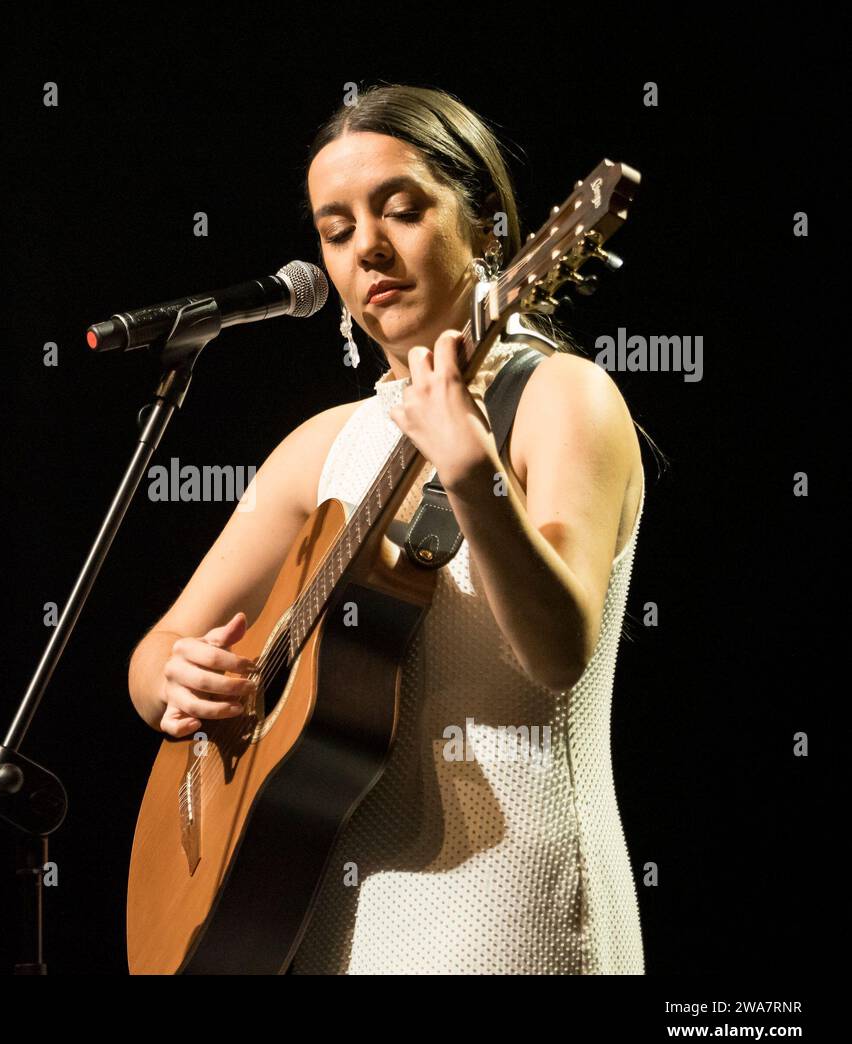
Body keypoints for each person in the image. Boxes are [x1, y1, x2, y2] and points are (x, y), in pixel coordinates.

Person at [126, 83, 649, 974]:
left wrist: (470, 470)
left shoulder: (563, 398)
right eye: (335, 231)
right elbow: (154, 655)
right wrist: (178, 674)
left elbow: (560, 650)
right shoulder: (321, 447)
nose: (368, 245)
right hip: (332, 917)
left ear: (489, 228)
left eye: (401, 210)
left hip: (515, 910)